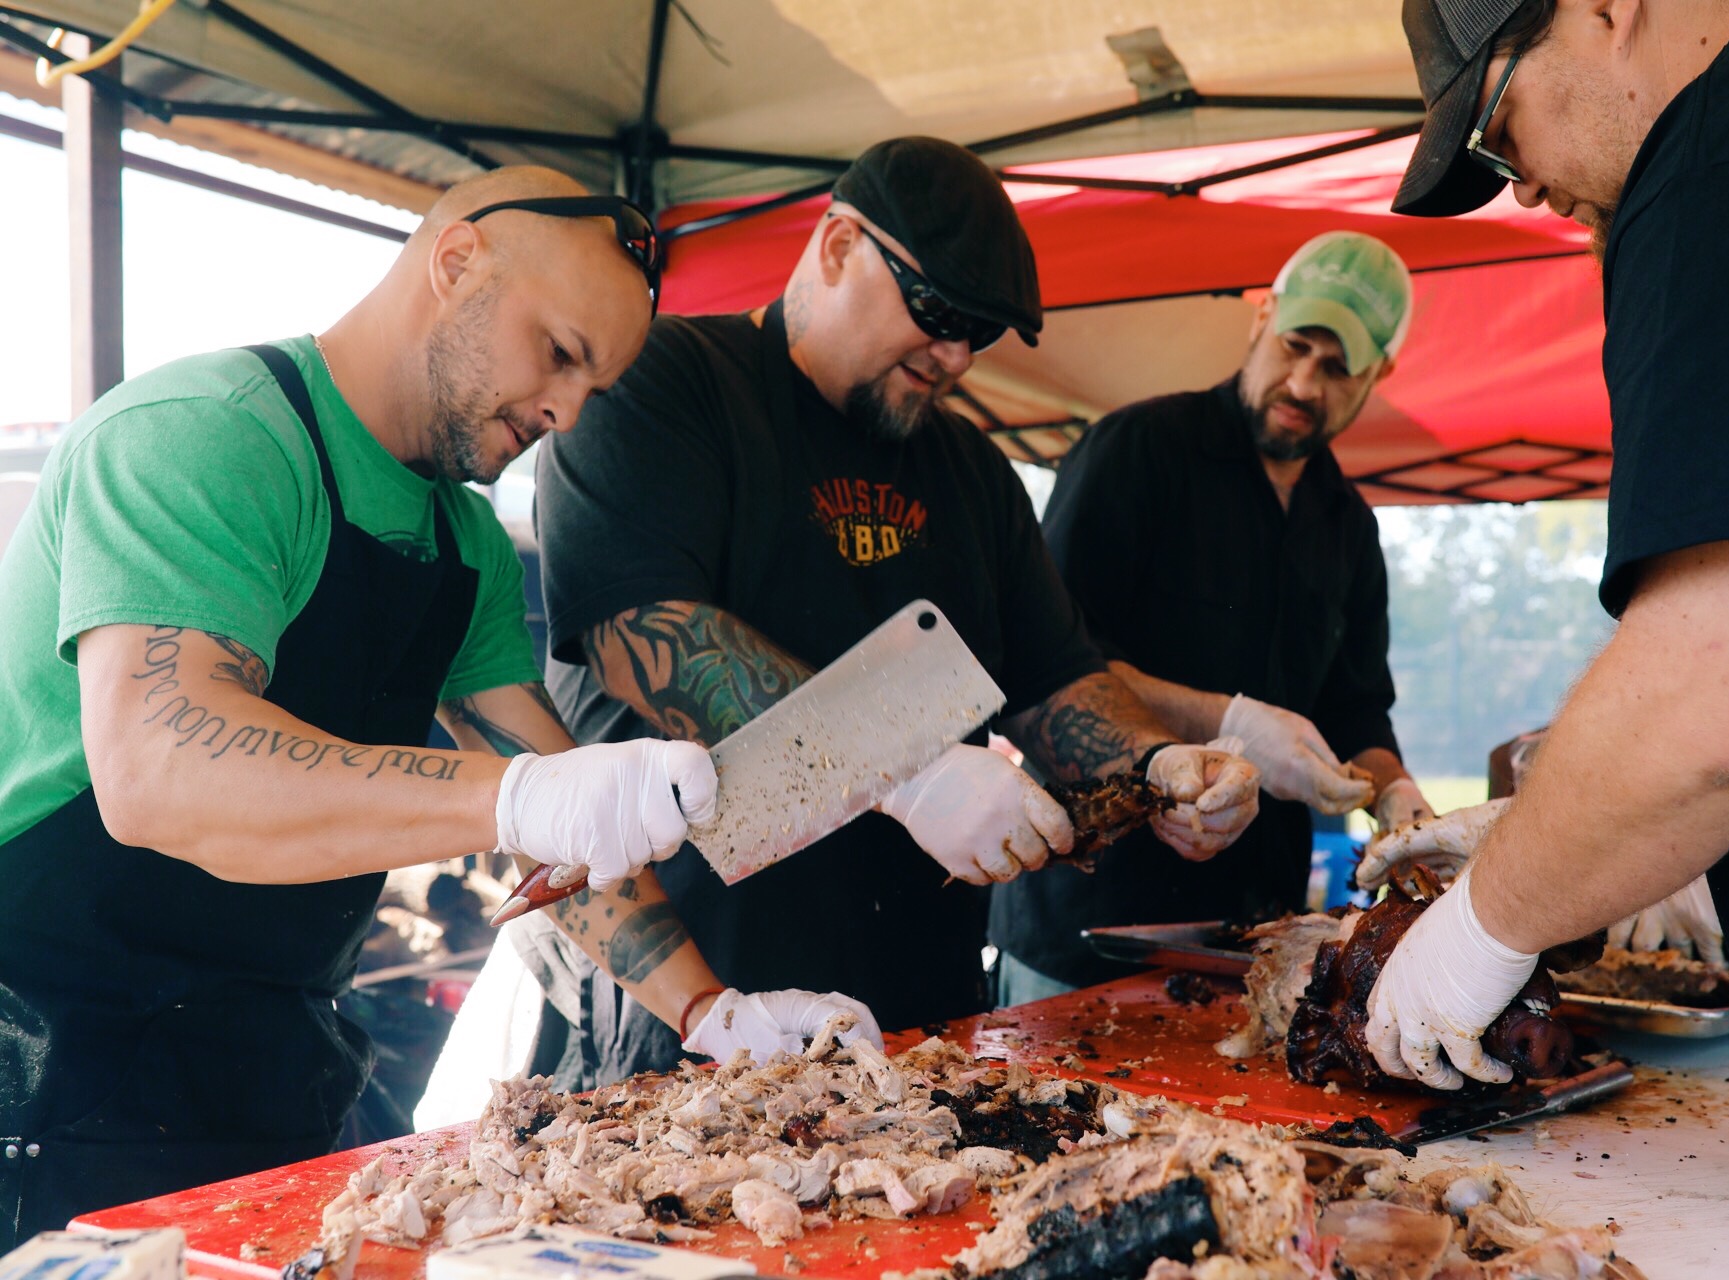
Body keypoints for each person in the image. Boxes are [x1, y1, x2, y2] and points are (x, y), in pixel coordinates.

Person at [0, 167, 861, 1245]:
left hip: (275, 1072)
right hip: (44, 1074)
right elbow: (161, 768)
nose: (566, 413)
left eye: (593, 390)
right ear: (455, 262)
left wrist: (711, 1011)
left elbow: (567, 831)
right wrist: (518, 796)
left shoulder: (464, 543)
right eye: (561, 354)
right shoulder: (207, 437)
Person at [1361, 0, 1729, 1251]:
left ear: (1608, 13)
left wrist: (1488, 920)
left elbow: (1719, 699)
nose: (1523, 193)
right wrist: (1595, 827)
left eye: (1501, 134)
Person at [530, 135, 1262, 1082]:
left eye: (981, 332)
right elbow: (656, 641)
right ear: (837, 247)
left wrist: (1158, 766)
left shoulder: (975, 476)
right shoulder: (663, 384)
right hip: (703, 1008)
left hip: (925, 1014)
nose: (956, 354)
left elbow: (1054, 678)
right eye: (938, 310)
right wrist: (908, 777)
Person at [989, 232, 1435, 1001]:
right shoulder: (1137, 451)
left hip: (1251, 943)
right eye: (1296, 345)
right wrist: (1226, 718)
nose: (1302, 382)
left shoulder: (1348, 527)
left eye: (1337, 368)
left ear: (1380, 375)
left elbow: (1359, 710)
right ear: (1262, 317)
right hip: (1086, 933)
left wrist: (1401, 801)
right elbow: (1047, 661)